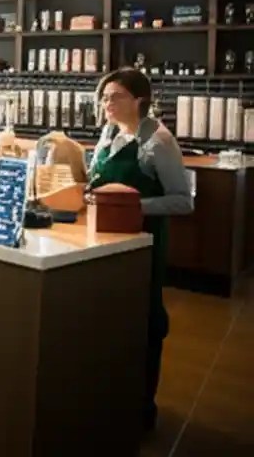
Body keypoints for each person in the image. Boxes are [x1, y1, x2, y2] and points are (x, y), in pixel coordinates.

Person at [89, 68, 193, 432]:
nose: (107, 104)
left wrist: (132, 205)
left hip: (142, 246)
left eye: (115, 96)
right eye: (104, 97)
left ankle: (142, 409)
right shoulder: (108, 134)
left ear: (139, 100)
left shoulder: (159, 142)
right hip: (104, 244)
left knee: (144, 322)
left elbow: (183, 202)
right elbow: (96, 182)